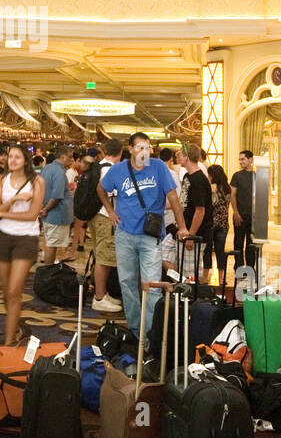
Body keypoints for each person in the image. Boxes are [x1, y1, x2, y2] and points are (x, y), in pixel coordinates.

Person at [101, 132, 187, 333]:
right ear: (130, 149)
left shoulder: (158, 168)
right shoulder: (118, 170)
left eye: (147, 147)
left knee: (153, 285)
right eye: (140, 147)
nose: (144, 152)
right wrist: (111, 212)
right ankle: (134, 330)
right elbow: (101, 189)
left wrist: (182, 226)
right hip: (124, 234)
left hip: (151, 236)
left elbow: (173, 197)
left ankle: (148, 334)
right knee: (127, 283)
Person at [0, 144, 45, 345]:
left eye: (17, 157)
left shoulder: (37, 181)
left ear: (26, 160)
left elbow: (32, 215)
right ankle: (16, 327)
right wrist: (12, 201)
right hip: (3, 236)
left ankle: (8, 343)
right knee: (5, 290)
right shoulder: (1, 179)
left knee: (14, 291)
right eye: (10, 156)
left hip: (26, 238)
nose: (12, 160)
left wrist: (1, 212)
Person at [80, 143, 124, 314]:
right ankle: (99, 297)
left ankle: (102, 293)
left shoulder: (100, 166)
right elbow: (106, 192)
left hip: (97, 215)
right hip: (105, 216)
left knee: (101, 255)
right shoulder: (110, 169)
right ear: (120, 152)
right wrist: (112, 211)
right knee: (104, 258)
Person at [177, 145, 211, 278]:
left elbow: (200, 210)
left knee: (189, 272)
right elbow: (183, 202)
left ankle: (189, 297)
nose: (178, 157)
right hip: (184, 228)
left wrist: (191, 235)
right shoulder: (187, 176)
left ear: (187, 157)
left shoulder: (199, 180)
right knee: (180, 266)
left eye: (180, 155)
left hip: (196, 232)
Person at [38, 146, 73, 265]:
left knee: (49, 242)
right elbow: (57, 195)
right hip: (55, 215)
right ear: (62, 157)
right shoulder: (59, 172)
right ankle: (48, 272)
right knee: (52, 245)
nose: (72, 160)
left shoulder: (47, 168)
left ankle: (48, 270)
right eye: (70, 157)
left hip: (49, 214)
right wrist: (46, 209)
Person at [205, 164, 234, 294]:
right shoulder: (227, 189)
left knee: (207, 251)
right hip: (223, 224)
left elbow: (209, 204)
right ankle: (221, 279)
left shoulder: (212, 188)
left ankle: (205, 276)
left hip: (211, 224)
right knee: (220, 251)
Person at [230, 150, 256, 274]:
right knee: (238, 243)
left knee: (251, 245)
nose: (241, 162)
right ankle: (239, 268)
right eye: (239, 159)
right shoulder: (237, 176)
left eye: (243, 159)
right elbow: (232, 195)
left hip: (253, 217)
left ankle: (250, 268)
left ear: (250, 160)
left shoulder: (257, 176)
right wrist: (235, 212)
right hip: (239, 215)